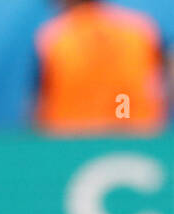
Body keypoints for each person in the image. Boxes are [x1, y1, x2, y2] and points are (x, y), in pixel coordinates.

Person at [34, 0, 169, 134]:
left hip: (71, 139)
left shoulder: (54, 35)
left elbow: (40, 98)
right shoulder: (139, 28)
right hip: (137, 136)